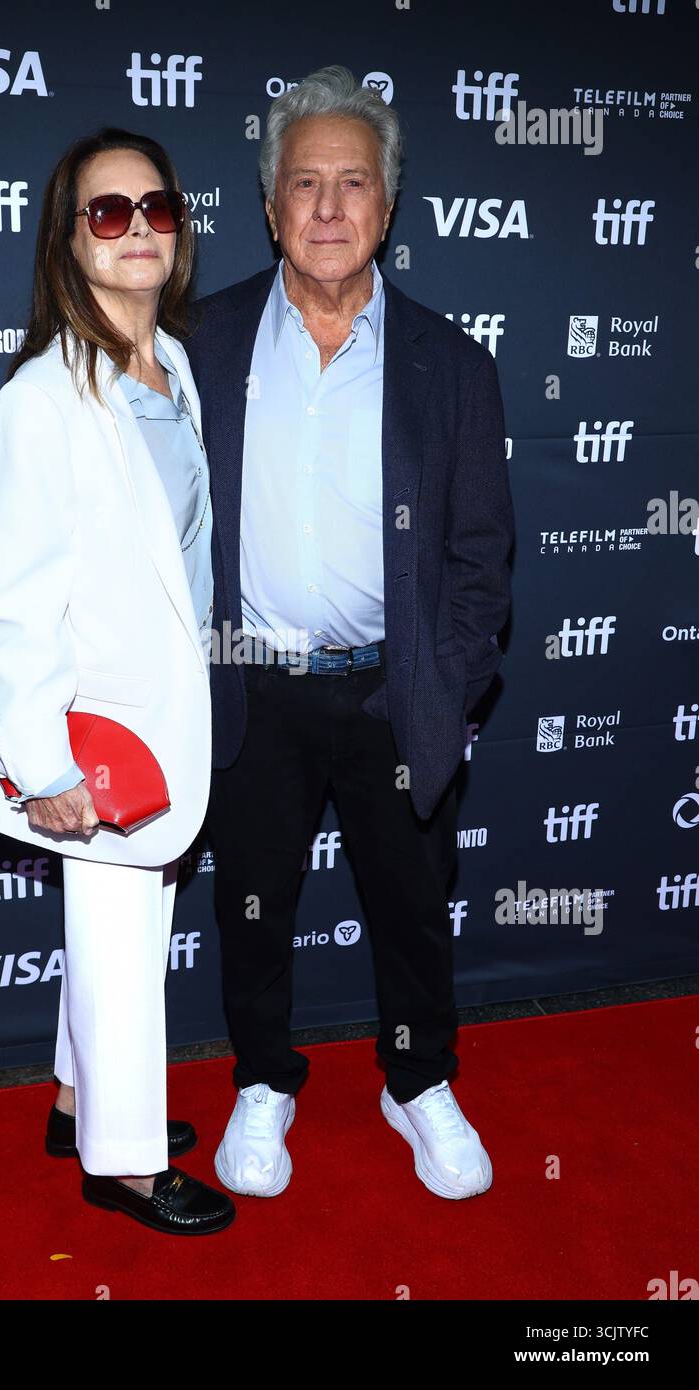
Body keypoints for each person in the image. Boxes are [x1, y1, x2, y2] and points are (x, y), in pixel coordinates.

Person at [186, 66, 515, 1201]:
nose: (328, 209)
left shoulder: (451, 362)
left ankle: (415, 1078)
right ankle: (263, 1079)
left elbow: (480, 557)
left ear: (387, 204)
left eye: (353, 184)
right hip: (251, 690)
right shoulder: (198, 344)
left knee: (413, 907)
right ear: (270, 203)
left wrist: (447, 683)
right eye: (304, 184)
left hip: (393, 689)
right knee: (251, 902)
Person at [0, 126, 234, 1236]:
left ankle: (78, 1099)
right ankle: (119, 1161)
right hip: (90, 731)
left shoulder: (171, 366)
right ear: (70, 240)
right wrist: (42, 766)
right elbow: (12, 601)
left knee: (125, 919)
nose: (137, 231)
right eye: (107, 212)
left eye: (156, 209)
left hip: (164, 714)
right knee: (123, 942)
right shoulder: (40, 400)